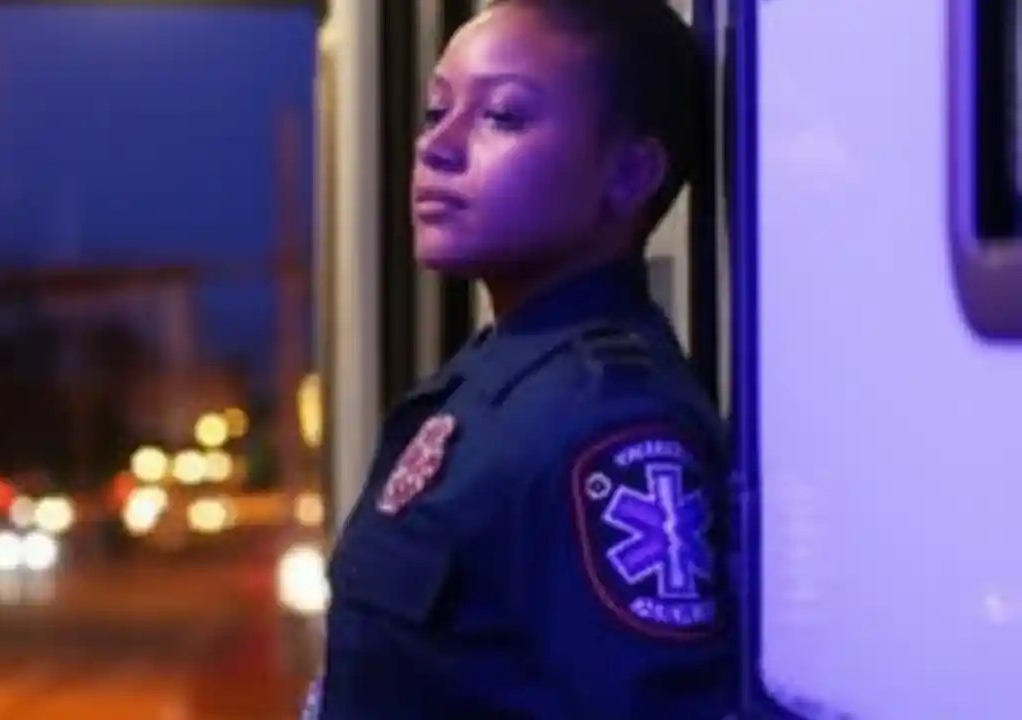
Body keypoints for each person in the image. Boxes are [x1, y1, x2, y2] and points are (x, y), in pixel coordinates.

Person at [308, 1, 734, 717]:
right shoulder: (499, 380)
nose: (436, 147)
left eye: (502, 115)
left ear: (630, 175)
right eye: (435, 111)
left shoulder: (610, 422)